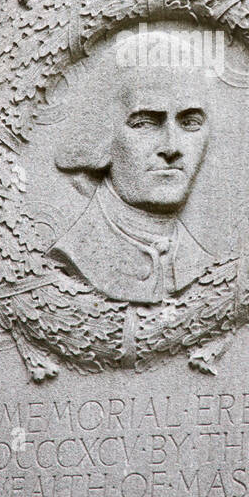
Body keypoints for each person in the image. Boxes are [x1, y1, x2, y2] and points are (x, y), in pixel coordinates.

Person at [50, 42, 213, 304]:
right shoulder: (74, 254)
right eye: (145, 123)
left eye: (189, 123)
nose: (171, 148)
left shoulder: (205, 264)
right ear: (101, 138)